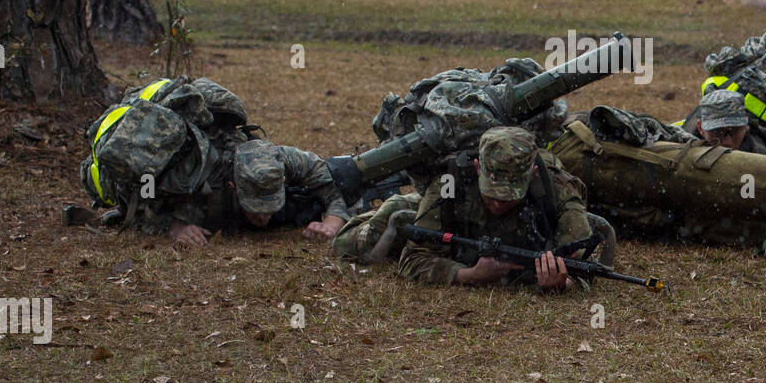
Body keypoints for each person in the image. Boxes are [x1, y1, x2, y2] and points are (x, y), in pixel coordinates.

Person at [397, 126, 591, 291]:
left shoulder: (558, 190)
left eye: (509, 197)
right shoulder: (448, 185)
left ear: (533, 174)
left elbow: (583, 265)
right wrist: (468, 275)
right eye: (491, 193)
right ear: (477, 168)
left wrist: (563, 283)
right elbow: (412, 259)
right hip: (416, 212)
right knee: (390, 218)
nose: (498, 203)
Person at [147, 139, 349, 247]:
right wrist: (175, 227)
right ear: (234, 188)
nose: (262, 216)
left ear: (283, 181)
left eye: (270, 206)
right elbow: (138, 206)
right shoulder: (197, 180)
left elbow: (334, 187)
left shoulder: (285, 161)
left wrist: (333, 223)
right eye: (254, 207)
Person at [681, 88, 766, 154]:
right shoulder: (681, 146)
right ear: (700, 128)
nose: (727, 142)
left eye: (735, 131)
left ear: (746, 127)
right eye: (718, 132)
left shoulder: (761, 153)